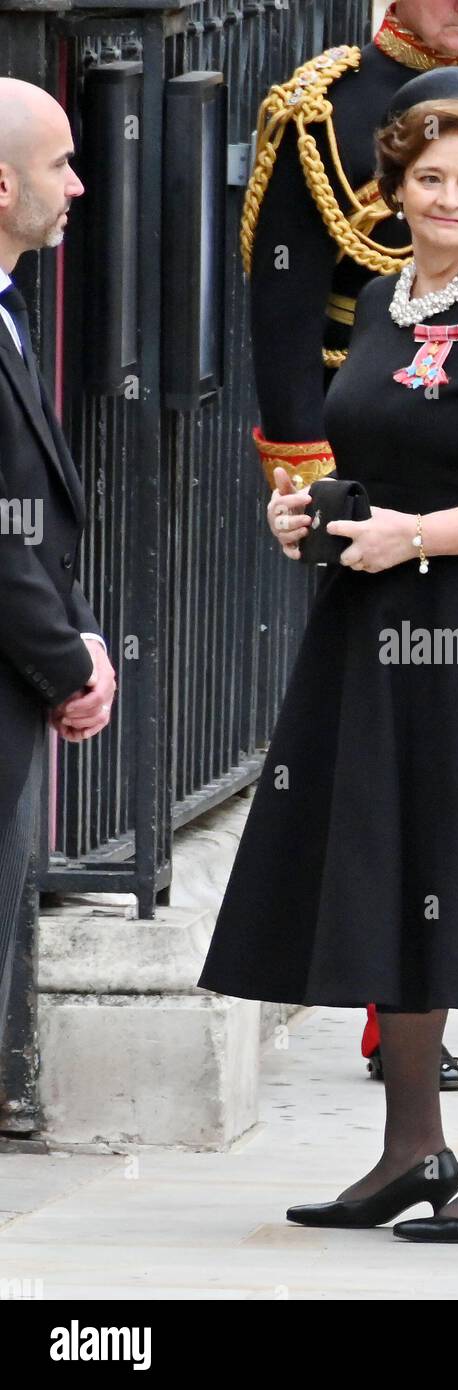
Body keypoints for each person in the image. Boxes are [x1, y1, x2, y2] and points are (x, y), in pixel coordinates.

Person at [199, 69, 458, 1242]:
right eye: (428, 175)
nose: (447, 197)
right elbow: (384, 450)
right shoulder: (390, 302)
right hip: (378, 631)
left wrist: (415, 536)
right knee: (399, 869)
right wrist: (315, 515)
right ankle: (408, 1150)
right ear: (391, 185)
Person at [0, 79, 115, 1077]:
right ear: (0, 185)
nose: (76, 186)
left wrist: (80, 639)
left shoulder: (9, 307)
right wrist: (65, 658)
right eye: (59, 165)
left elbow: (34, 509)